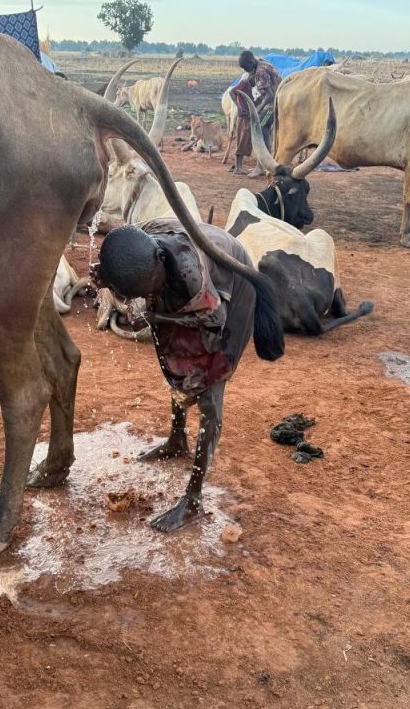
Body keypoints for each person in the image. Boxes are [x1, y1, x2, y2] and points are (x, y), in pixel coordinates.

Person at [92, 219, 283, 533]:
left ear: (161, 261)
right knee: (175, 358)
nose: (148, 294)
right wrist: (107, 281)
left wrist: (153, 315)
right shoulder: (132, 245)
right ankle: (177, 439)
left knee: (209, 383)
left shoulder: (190, 272)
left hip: (231, 293)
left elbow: (214, 317)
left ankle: (193, 500)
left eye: (151, 288)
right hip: (186, 289)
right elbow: (137, 291)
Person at [229, 50, 282, 176]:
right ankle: (264, 165)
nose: (245, 71)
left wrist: (258, 109)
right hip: (275, 102)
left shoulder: (260, 71)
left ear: (251, 62)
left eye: (246, 68)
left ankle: (261, 166)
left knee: (262, 128)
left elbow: (269, 96)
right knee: (263, 130)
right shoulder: (262, 64)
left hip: (272, 106)